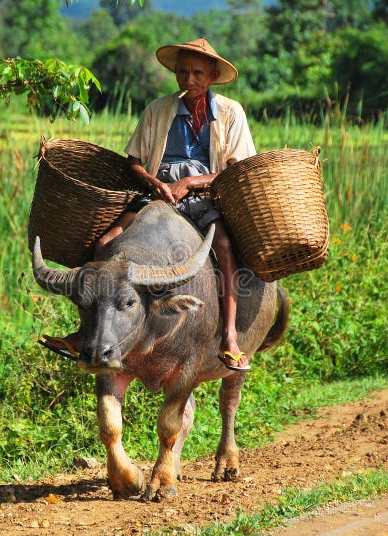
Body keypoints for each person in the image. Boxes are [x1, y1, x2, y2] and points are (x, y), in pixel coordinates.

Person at [39, 37, 256, 371]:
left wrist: (190, 183)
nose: (189, 80)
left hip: (206, 196)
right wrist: (154, 182)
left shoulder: (230, 113)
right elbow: (134, 162)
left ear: (213, 75)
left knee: (224, 247)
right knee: (106, 243)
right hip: (156, 194)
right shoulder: (158, 109)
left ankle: (228, 337)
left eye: (198, 72)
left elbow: (238, 169)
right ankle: (89, 333)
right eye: (183, 72)